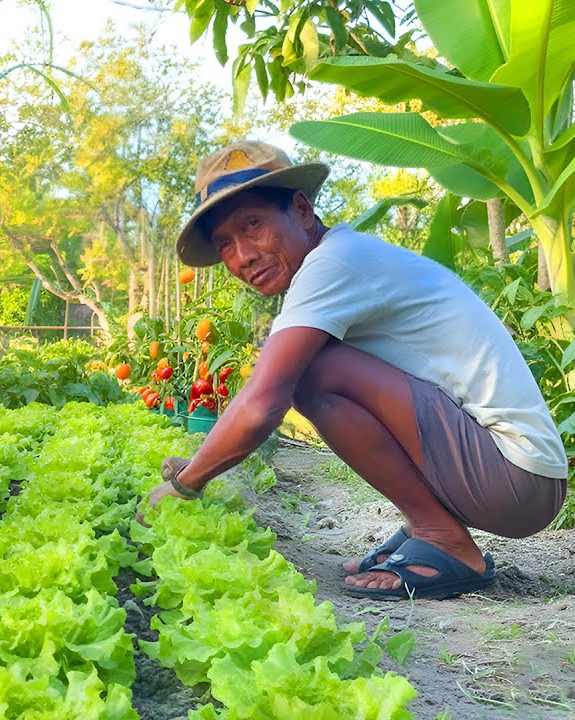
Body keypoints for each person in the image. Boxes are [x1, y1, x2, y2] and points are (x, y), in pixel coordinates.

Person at [142, 141, 568, 600]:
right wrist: (201, 461)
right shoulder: (338, 258)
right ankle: (431, 527)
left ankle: (443, 538)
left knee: (312, 374)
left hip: (517, 479)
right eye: (226, 243)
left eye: (253, 225)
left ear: (302, 210)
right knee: (314, 365)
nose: (242, 255)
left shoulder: (332, 264)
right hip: (506, 474)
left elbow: (263, 402)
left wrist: (187, 484)